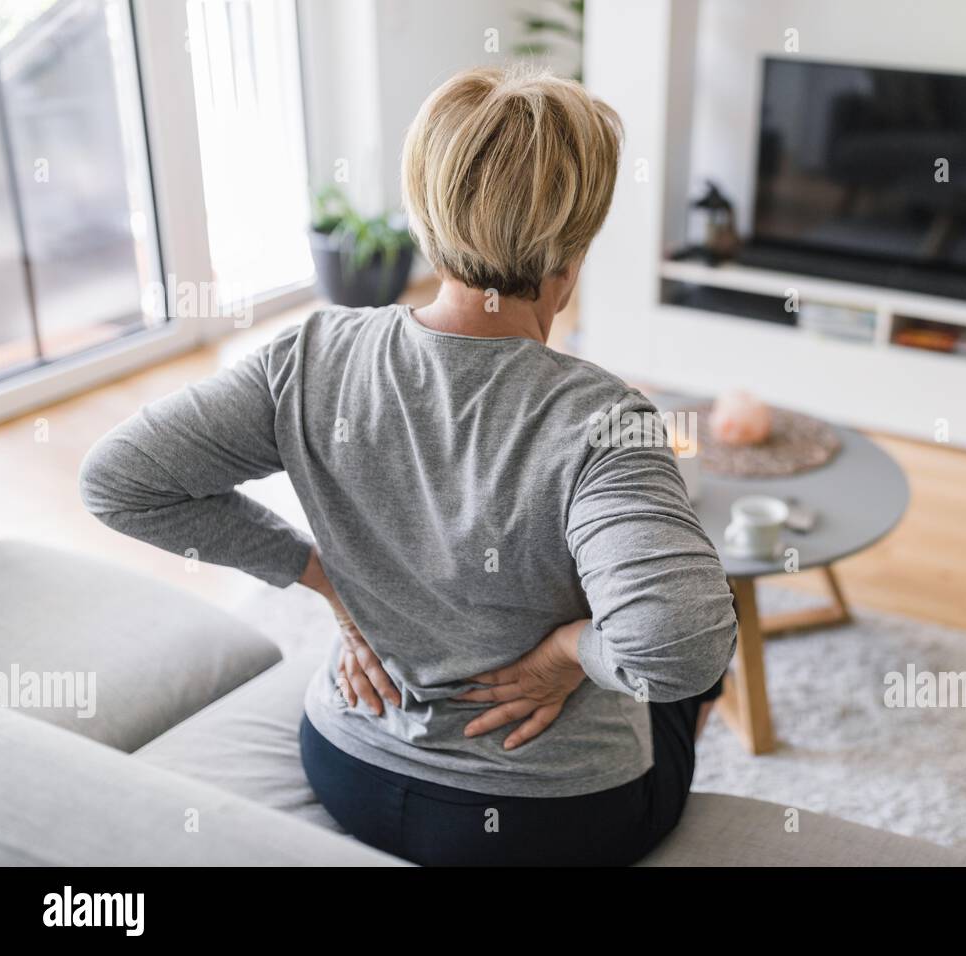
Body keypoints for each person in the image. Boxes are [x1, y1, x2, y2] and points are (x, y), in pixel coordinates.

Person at [79, 65, 737, 866]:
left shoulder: (309, 356)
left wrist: (323, 580)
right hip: (552, 822)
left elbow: (117, 481)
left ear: (428, 220)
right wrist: (567, 655)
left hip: (349, 768)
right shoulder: (604, 421)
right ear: (571, 258)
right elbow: (680, 649)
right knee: (704, 653)